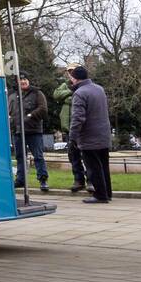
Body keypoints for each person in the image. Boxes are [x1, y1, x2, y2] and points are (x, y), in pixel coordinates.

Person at [67, 65, 112, 204]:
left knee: (93, 167)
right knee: (104, 165)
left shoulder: (79, 93)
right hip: (103, 134)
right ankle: (107, 193)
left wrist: (72, 137)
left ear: (74, 78)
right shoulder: (99, 89)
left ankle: (100, 195)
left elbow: (78, 118)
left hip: (89, 136)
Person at [8, 74, 50, 193]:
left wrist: (30, 116)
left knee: (38, 156)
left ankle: (43, 179)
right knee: (20, 157)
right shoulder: (12, 95)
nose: (23, 81)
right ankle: (20, 179)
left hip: (33, 131)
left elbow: (43, 109)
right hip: (17, 131)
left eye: (25, 79)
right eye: (20, 79)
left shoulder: (37, 93)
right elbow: (8, 111)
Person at [54, 75, 89, 193]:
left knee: (87, 155)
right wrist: (70, 91)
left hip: (83, 129)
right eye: (69, 72)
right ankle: (78, 179)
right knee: (73, 155)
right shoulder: (65, 85)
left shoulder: (83, 88)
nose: (71, 75)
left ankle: (91, 180)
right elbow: (56, 95)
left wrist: (68, 94)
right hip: (69, 128)